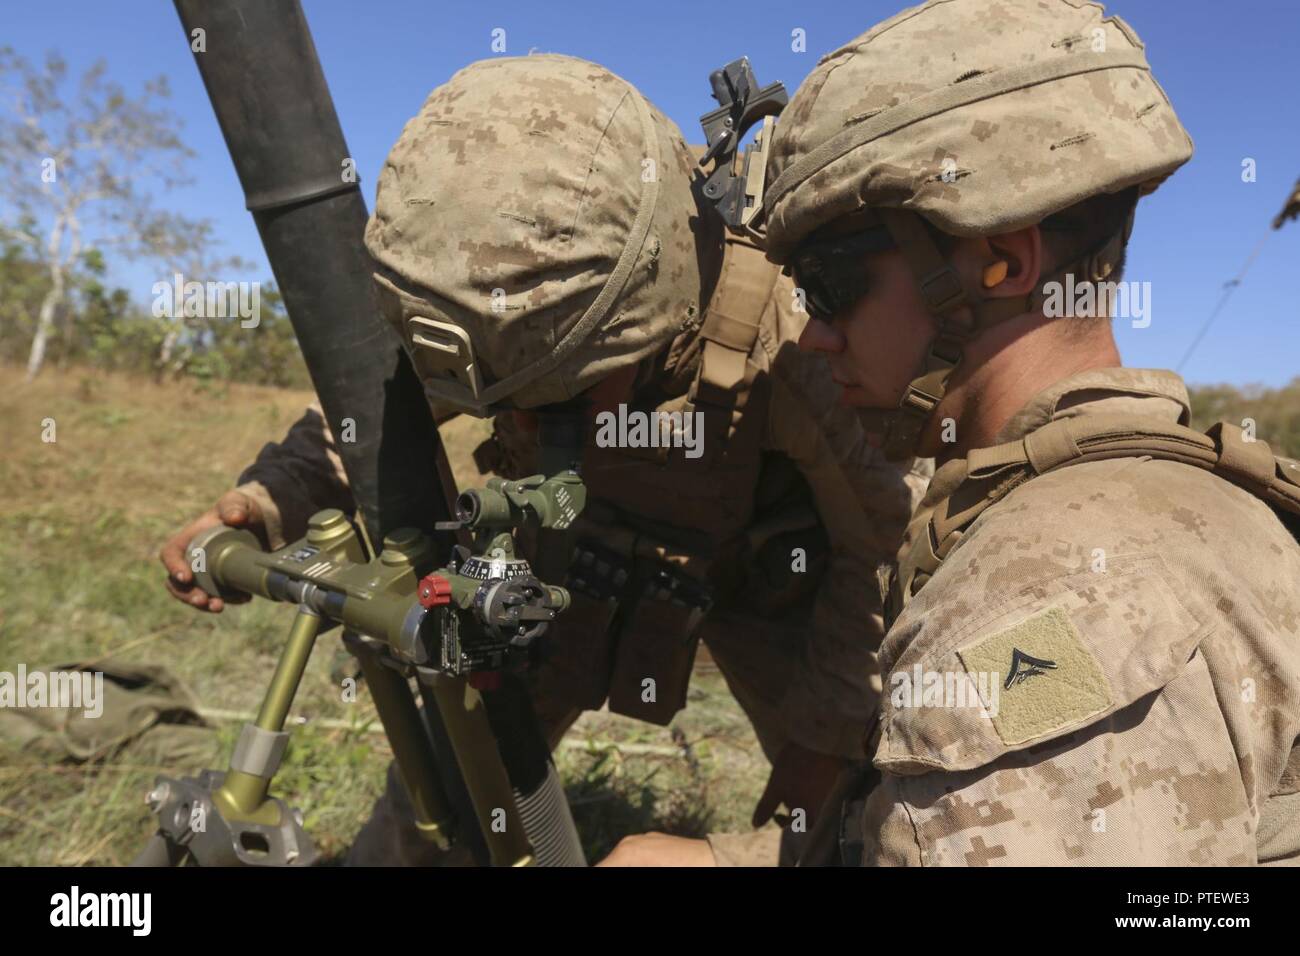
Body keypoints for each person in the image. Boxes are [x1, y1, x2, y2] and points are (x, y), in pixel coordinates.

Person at [158, 54, 928, 864]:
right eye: (494, 391)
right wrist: (266, 498)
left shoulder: (785, 335)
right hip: (558, 567)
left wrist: (823, 747)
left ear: (662, 303)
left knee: (854, 814)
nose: (520, 418)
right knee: (450, 796)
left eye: (564, 392)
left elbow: (878, 544)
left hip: (763, 589)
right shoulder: (494, 295)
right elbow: (377, 404)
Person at [605, 0, 1300, 866]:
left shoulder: (1040, 598)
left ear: (1000, 260)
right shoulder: (1152, 501)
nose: (814, 334)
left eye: (827, 284)